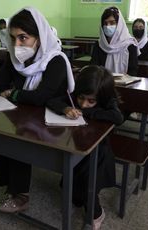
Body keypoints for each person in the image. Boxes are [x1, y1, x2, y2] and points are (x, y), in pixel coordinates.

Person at [0, 7, 75, 213]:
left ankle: (21, 194)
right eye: (13, 38)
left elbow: (43, 97)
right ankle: (12, 185)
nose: (17, 45)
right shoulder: (15, 61)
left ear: (39, 38)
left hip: (53, 122)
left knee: (19, 142)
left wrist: (12, 94)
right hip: (23, 117)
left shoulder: (56, 60)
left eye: (23, 38)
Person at [47, 65, 123, 230]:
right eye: (81, 98)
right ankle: (78, 197)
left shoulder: (107, 100)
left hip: (99, 150)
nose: (83, 104)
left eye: (91, 101)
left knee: (89, 184)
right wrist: (66, 108)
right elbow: (53, 101)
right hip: (77, 145)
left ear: (101, 97)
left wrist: (86, 113)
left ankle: (96, 213)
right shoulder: (75, 96)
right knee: (74, 188)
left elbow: (117, 117)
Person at [90, 6, 138, 76]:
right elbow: (94, 66)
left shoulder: (130, 45)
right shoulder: (99, 44)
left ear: (119, 25)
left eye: (112, 23)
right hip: (102, 83)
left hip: (124, 84)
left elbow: (133, 71)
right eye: (105, 23)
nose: (108, 26)